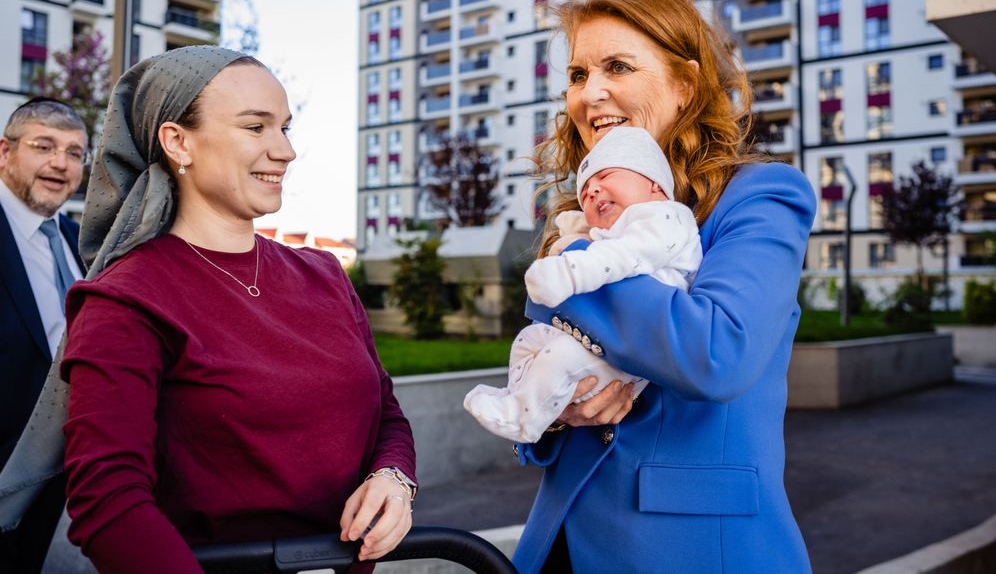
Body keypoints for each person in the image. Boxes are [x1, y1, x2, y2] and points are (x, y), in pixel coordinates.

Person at [59, 46, 416, 574]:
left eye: (285, 128)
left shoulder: (324, 274)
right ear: (178, 142)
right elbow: (107, 503)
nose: (286, 151)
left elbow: (385, 412)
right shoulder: (127, 298)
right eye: (255, 127)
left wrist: (394, 477)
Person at [511, 0, 815, 574]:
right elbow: (552, 357)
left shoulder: (761, 197)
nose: (590, 93)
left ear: (686, 85)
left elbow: (716, 352)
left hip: (697, 551)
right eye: (578, 75)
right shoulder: (582, 212)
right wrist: (556, 411)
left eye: (618, 67)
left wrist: (581, 259)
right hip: (561, 541)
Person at [463, 126, 701, 442]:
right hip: (605, 332)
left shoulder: (667, 218)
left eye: (606, 175)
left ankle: (523, 420)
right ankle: (519, 397)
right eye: (585, 190)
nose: (592, 191)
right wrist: (577, 233)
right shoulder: (619, 231)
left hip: (634, 344)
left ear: (654, 183)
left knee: (560, 356)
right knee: (528, 340)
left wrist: (571, 268)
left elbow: (624, 256)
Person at [0, 98, 88, 571]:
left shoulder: (81, 241)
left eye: (75, 153)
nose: (61, 163)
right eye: (44, 146)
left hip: (64, 477)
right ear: (5, 152)